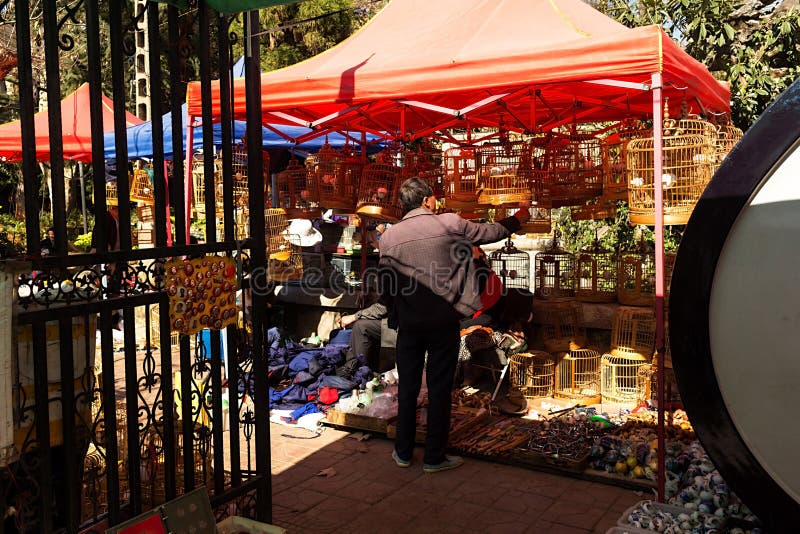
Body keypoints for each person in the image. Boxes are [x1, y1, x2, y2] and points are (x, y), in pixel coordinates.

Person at [378, 177, 529, 473]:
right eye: (434, 197)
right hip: (443, 322)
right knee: (439, 388)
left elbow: (386, 286)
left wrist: (396, 315)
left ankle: (403, 452)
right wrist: (518, 218)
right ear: (426, 201)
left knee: (408, 387)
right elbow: (491, 232)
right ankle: (434, 457)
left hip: (409, 325)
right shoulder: (448, 223)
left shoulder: (389, 237)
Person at [338, 297, 397, 372]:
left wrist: (354, 317)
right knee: (368, 324)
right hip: (402, 324)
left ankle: (355, 369)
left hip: (402, 329)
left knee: (361, 326)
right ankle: (363, 368)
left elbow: (382, 308)